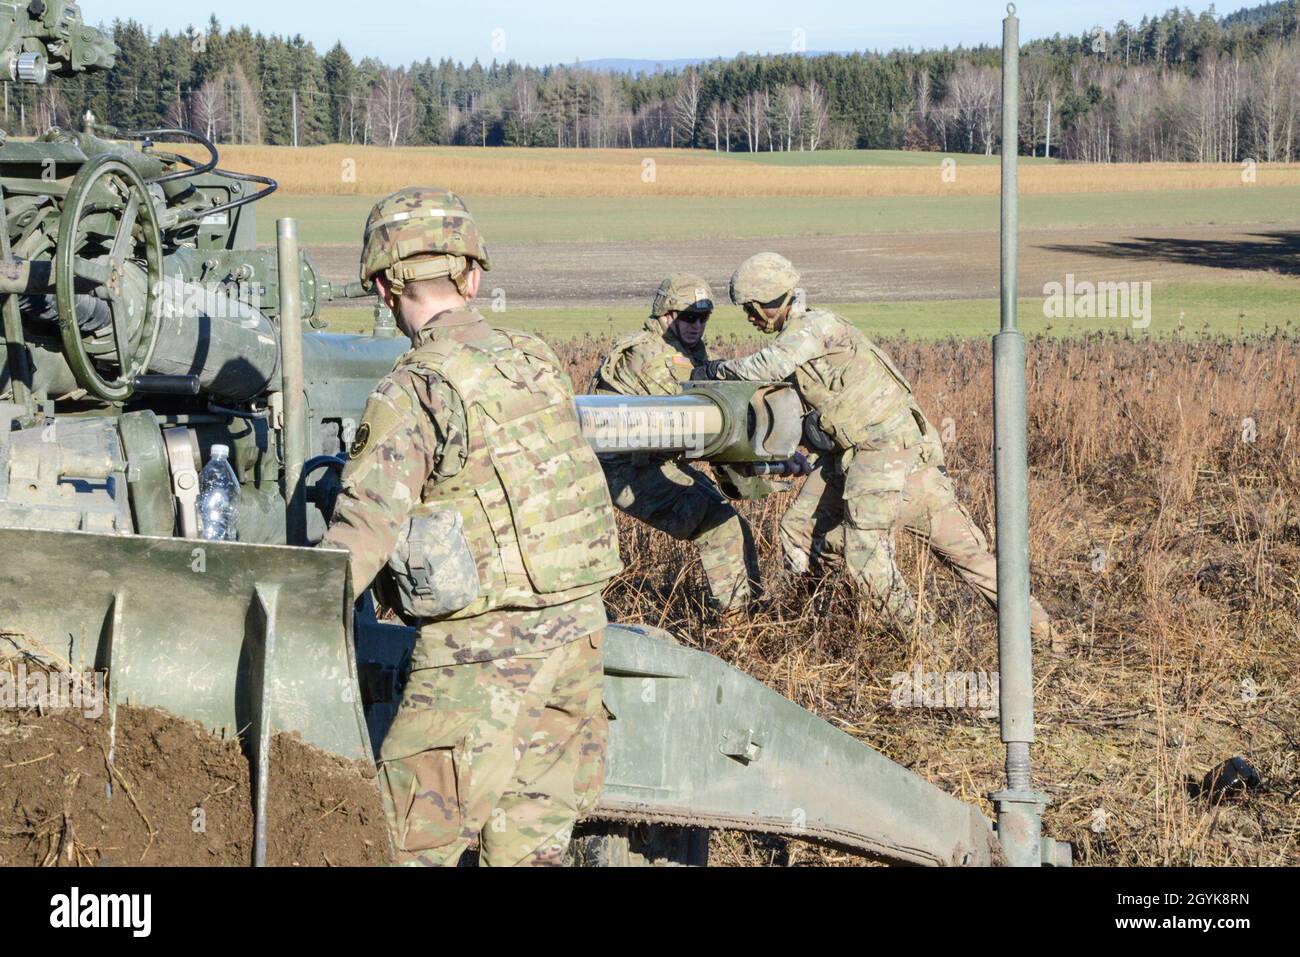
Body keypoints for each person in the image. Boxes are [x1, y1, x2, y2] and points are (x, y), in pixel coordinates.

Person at [321, 187, 623, 865]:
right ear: (473, 275)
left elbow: (363, 531)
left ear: (380, 285)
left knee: (402, 849)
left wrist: (293, 616)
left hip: (479, 660)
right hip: (577, 637)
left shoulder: (413, 387)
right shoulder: (534, 356)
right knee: (530, 851)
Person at [695, 252, 1052, 641]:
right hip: (857, 457)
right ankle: (818, 624)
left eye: (750, 308)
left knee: (898, 553)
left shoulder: (815, 327)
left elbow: (762, 369)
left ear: (770, 301)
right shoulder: (802, 340)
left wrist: (710, 372)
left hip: (886, 453)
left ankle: (930, 644)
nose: (749, 317)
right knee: (799, 530)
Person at [590, 275, 758, 616]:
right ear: (666, 315)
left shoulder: (683, 351)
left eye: (703, 317)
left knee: (734, 524)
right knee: (720, 527)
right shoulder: (652, 354)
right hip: (624, 469)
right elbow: (694, 425)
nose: (697, 325)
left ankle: (750, 611)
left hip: (654, 461)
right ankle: (739, 626)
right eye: (688, 317)